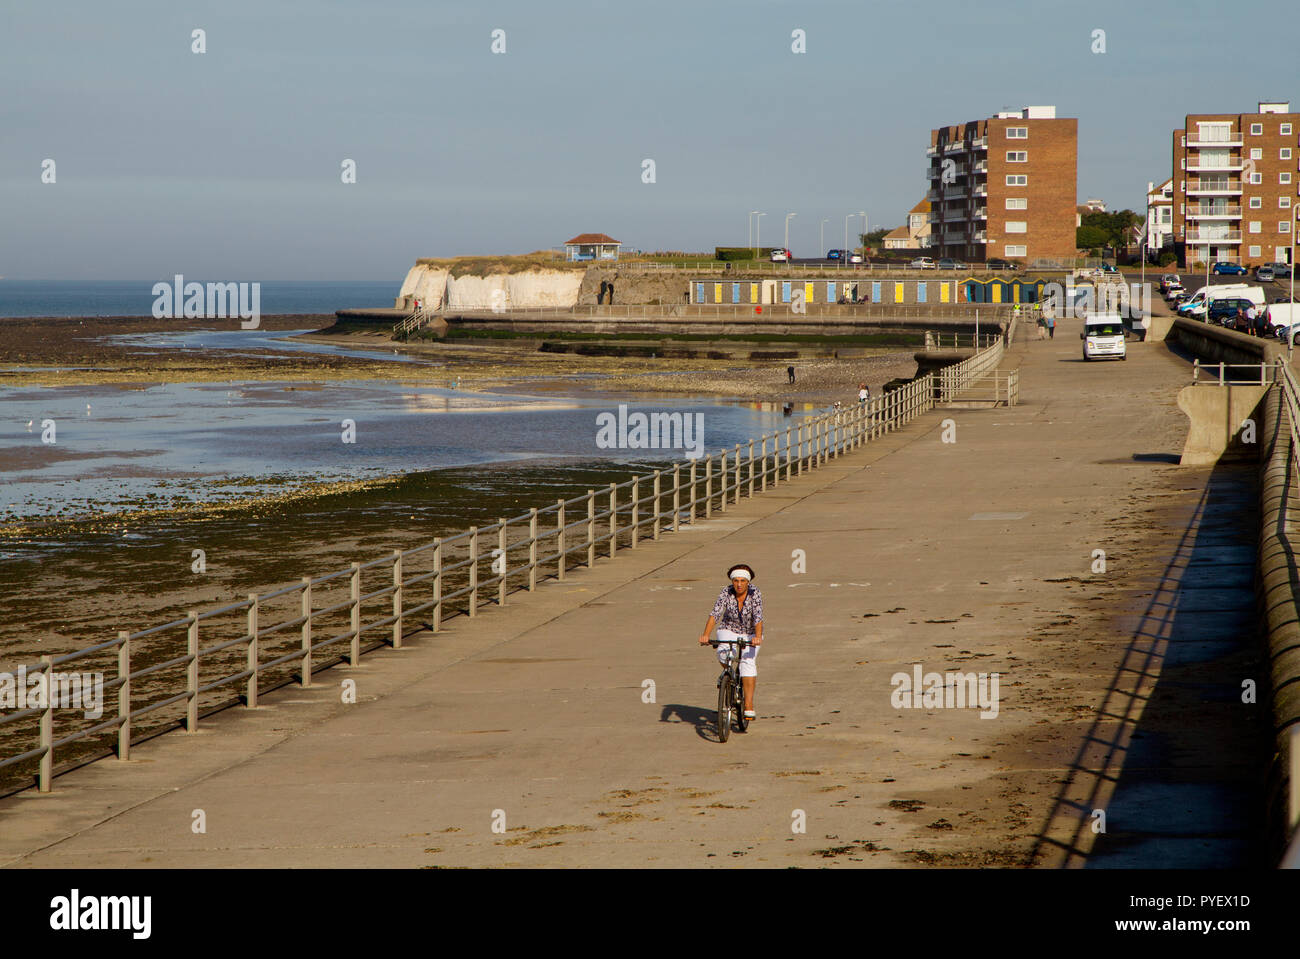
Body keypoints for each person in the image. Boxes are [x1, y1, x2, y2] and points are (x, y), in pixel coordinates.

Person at [698, 564, 764, 721]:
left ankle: (748, 705)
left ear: (748, 582)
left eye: (742, 581)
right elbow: (715, 614)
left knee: (747, 662)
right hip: (729, 629)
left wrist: (757, 637)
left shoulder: (755, 594)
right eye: (735, 581)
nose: (739, 584)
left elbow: (758, 617)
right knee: (722, 654)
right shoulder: (725, 592)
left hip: (750, 633)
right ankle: (730, 675)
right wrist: (705, 635)